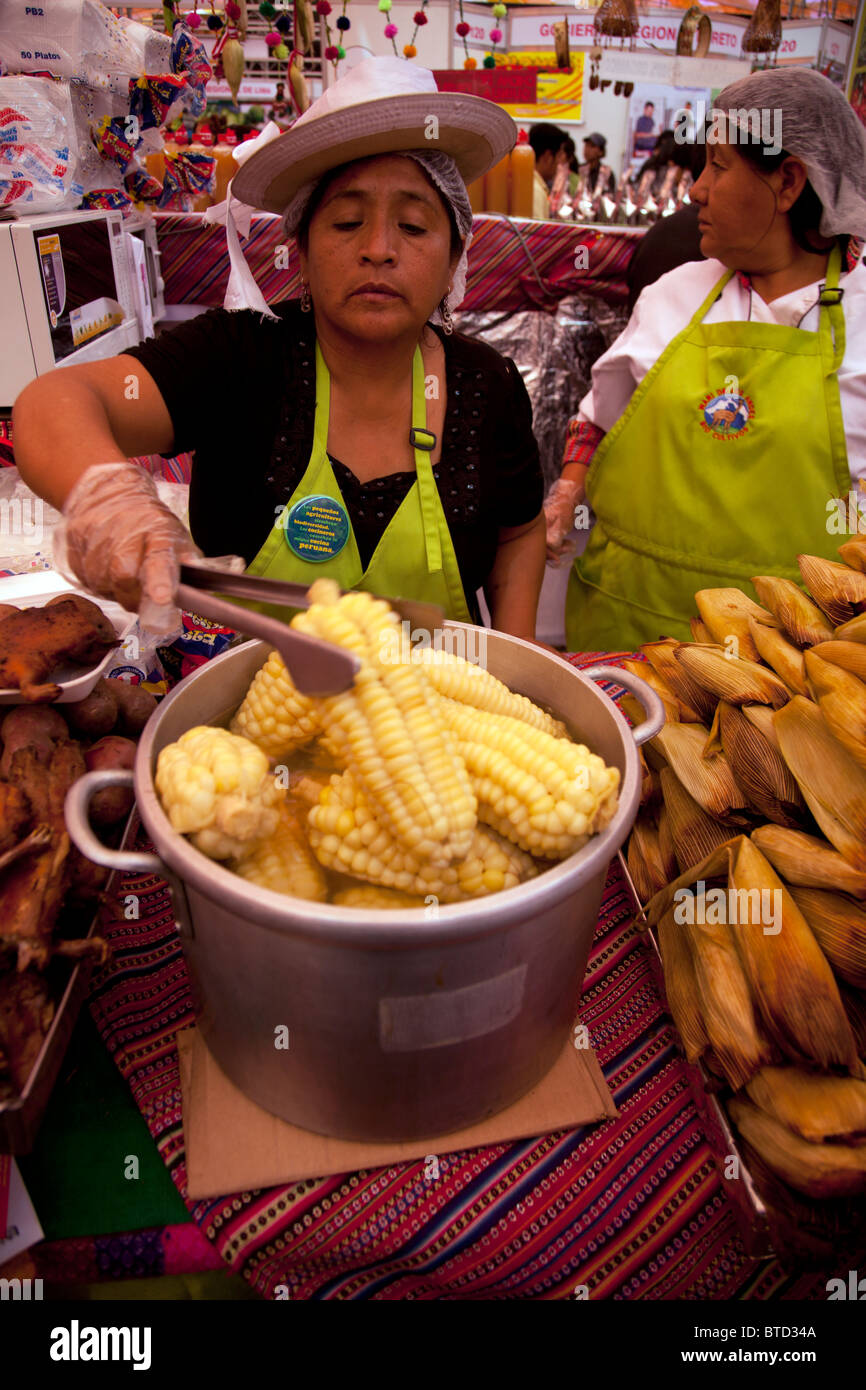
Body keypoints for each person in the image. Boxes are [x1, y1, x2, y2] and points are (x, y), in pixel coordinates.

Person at [12, 59, 546, 641]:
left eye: (414, 227)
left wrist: (517, 668)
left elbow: (518, 533)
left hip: (443, 723)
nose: (378, 249)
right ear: (303, 252)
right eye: (346, 222)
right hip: (239, 718)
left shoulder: (486, 384)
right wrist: (110, 502)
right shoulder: (240, 355)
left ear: (453, 262)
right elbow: (54, 401)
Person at [544, 68, 866, 652]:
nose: (695, 190)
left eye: (718, 165)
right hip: (624, 634)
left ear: (788, 183)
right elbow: (597, 420)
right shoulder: (675, 293)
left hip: (785, 673)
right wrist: (568, 492)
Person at [528, 123, 567, 219]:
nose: (560, 164)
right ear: (547, 157)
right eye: (559, 156)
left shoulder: (529, 183)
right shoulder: (534, 190)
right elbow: (535, 232)